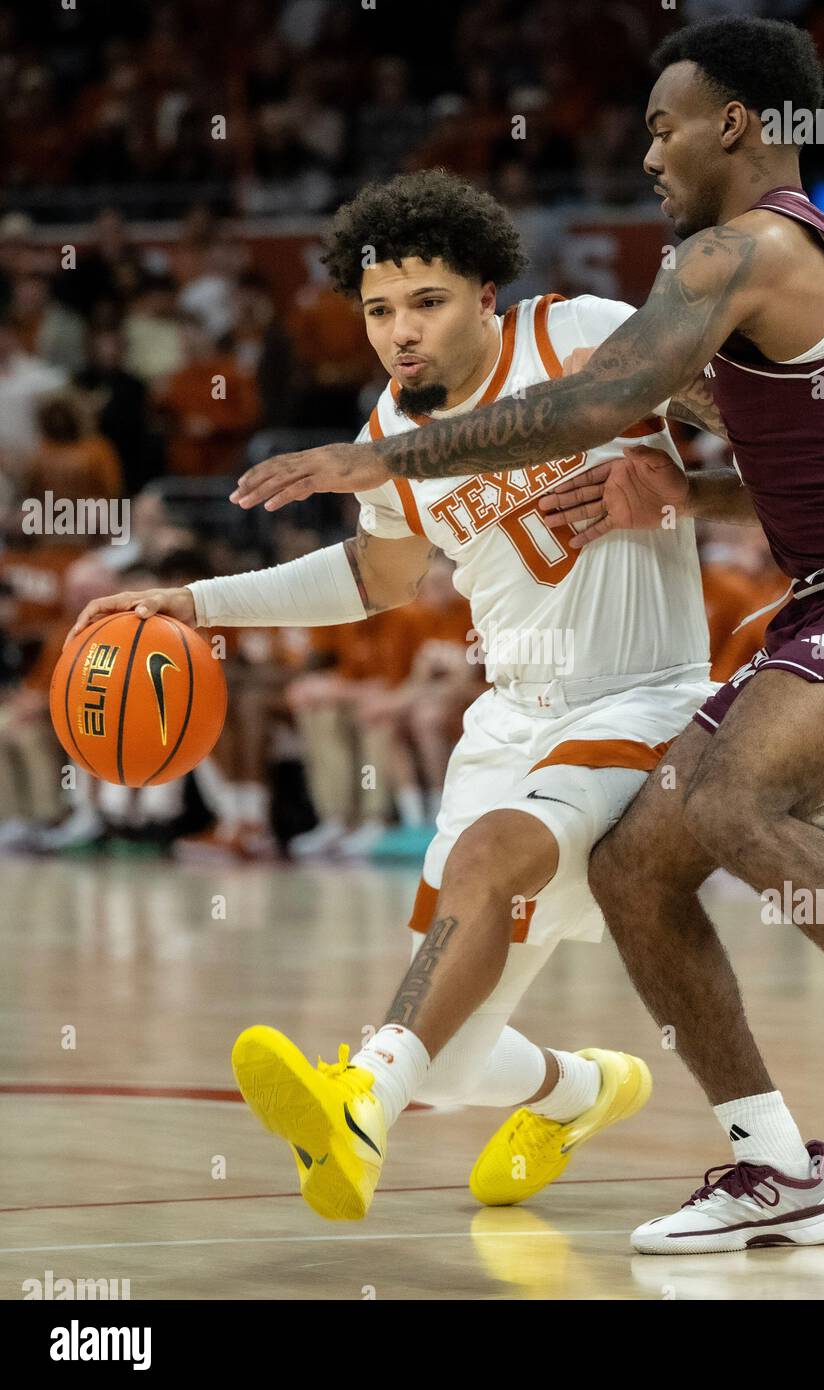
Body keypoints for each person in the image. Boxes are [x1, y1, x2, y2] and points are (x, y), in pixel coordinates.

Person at [231, 18, 824, 1254]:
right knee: (632, 871)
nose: (646, 153)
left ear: (737, 123)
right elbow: (808, 464)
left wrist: (380, 453)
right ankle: (774, 1164)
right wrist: (683, 492)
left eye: (664, 125)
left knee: (723, 801)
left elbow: (605, 400)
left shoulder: (741, 247)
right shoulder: (782, 263)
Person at [67, 169, 731, 1223]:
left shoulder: (582, 334)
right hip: (510, 718)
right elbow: (379, 579)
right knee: (457, 1057)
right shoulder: (392, 426)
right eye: (378, 310)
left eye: (425, 302)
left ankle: (359, 1100)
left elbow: (758, 421)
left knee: (484, 864)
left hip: (639, 697)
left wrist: (695, 487)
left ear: (485, 295)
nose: (399, 330)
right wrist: (197, 603)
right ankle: (587, 1089)